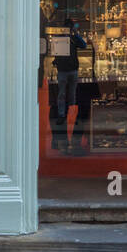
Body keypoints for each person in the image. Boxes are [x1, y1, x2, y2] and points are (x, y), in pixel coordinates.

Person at [53, 18, 88, 154]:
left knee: (64, 93)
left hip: (65, 70)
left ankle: (65, 113)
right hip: (70, 70)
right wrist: (76, 34)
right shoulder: (70, 39)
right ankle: (67, 113)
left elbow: (83, 45)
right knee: (68, 93)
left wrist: (75, 35)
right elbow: (84, 45)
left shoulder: (66, 38)